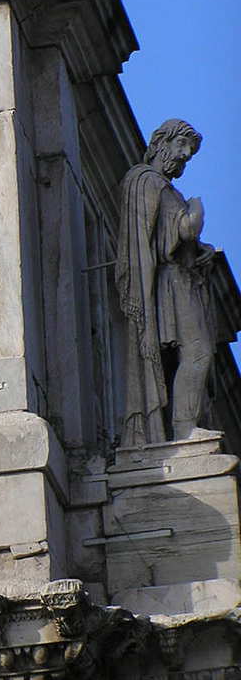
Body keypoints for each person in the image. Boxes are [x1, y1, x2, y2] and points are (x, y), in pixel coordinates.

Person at [116, 119, 215, 444]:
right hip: (168, 283)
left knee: (197, 352)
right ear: (162, 142)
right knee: (198, 351)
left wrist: (200, 250)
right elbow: (174, 233)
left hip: (181, 279)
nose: (185, 155)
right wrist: (196, 211)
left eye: (191, 152)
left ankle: (184, 426)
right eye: (182, 146)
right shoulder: (145, 180)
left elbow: (177, 237)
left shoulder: (164, 187)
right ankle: (184, 427)